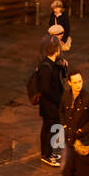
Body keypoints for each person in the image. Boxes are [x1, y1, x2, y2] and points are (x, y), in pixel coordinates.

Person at [35, 36, 67, 166]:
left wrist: (63, 66)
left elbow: (62, 76)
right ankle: (47, 155)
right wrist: (58, 100)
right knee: (49, 130)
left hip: (51, 105)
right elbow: (46, 89)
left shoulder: (52, 64)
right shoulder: (45, 67)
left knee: (49, 129)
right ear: (56, 51)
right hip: (49, 105)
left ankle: (48, 153)